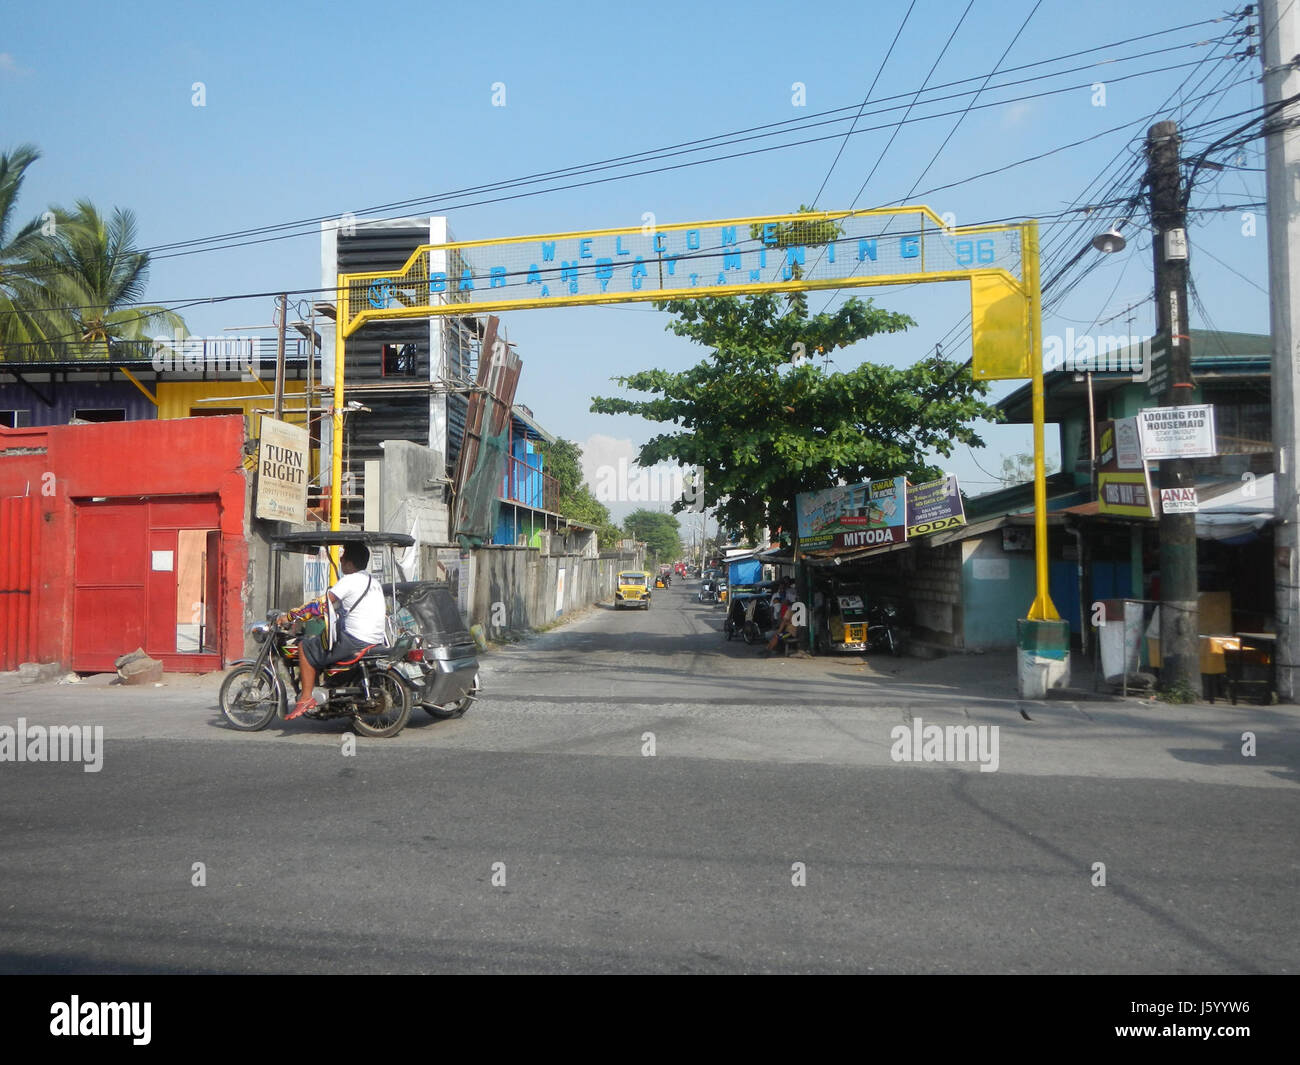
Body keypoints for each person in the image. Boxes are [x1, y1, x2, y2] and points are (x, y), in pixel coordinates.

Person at [277, 542, 387, 719]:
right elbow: (342, 608)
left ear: (350, 563)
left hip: (354, 639)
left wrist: (290, 617)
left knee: (305, 647)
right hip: (374, 638)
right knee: (322, 643)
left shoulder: (350, 581)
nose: (341, 560)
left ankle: (305, 698)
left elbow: (319, 605)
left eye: (343, 558)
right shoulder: (372, 581)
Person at [763, 576, 799, 654]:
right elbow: (772, 609)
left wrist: (779, 631)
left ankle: (769, 649)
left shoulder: (790, 609)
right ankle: (768, 649)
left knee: (776, 636)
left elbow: (784, 623)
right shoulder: (776, 597)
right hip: (783, 625)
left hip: (790, 632)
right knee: (775, 635)